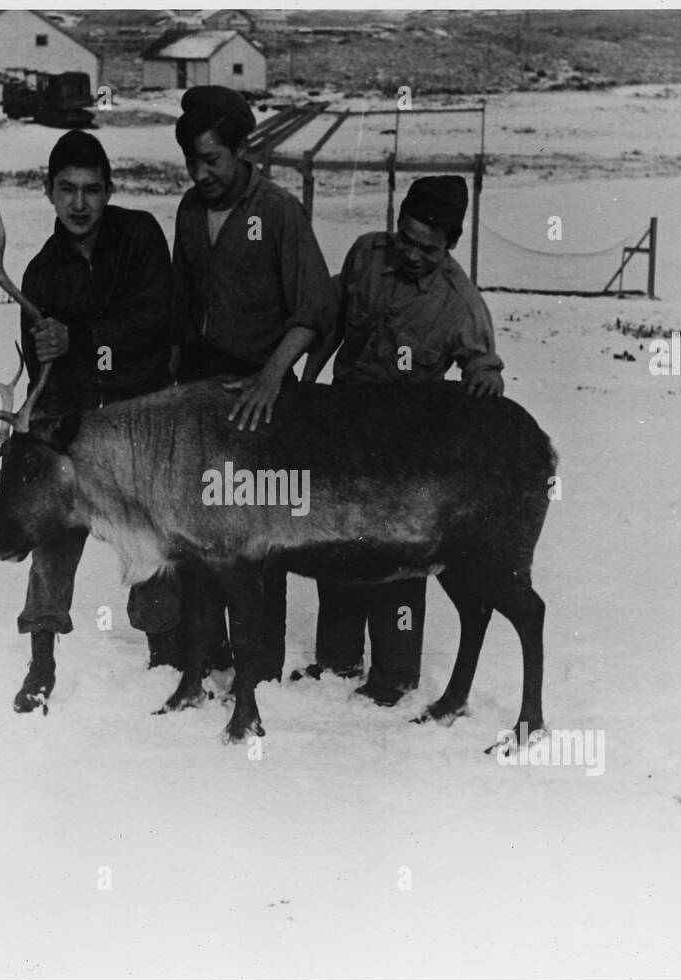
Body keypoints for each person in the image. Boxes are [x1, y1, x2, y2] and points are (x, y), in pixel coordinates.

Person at [295, 175, 504, 706]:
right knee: (336, 545)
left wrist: (485, 378)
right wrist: (306, 381)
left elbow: (483, 364)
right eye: (406, 239)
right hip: (343, 432)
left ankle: (394, 677)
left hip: (406, 453)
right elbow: (332, 319)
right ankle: (338, 661)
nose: (411, 253)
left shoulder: (460, 303)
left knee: (400, 557)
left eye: (427, 248)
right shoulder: (367, 254)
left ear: (450, 244)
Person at [169, 85, 337, 683]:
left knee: (261, 530)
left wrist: (271, 378)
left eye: (211, 159)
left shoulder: (281, 212)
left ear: (243, 153)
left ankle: (260, 662)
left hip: (263, 398)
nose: (201, 172)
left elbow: (314, 308)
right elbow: (181, 309)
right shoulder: (190, 213)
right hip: (203, 395)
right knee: (203, 525)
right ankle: (205, 651)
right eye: (192, 160)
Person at [13, 130, 179, 713]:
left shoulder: (139, 237)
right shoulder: (41, 275)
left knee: (151, 538)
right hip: (78, 425)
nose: (79, 204)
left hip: (141, 421)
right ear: (48, 192)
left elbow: (155, 319)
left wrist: (78, 339)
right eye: (67, 190)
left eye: (92, 190)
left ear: (110, 191)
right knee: (52, 534)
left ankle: (164, 656)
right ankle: (41, 661)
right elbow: (41, 368)